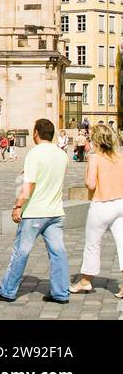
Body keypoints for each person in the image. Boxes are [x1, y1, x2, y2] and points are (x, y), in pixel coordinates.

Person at [0, 117, 69, 305]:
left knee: (21, 252)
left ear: (36, 133)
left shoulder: (35, 154)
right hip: (56, 211)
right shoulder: (61, 154)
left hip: (35, 211)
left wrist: (18, 205)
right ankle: (60, 293)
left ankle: (8, 290)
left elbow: (30, 184)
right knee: (58, 253)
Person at [69, 122, 123, 298]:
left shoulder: (95, 158)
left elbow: (90, 183)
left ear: (97, 141)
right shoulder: (120, 156)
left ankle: (85, 281)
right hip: (120, 203)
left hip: (101, 204)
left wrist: (86, 175)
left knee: (93, 244)